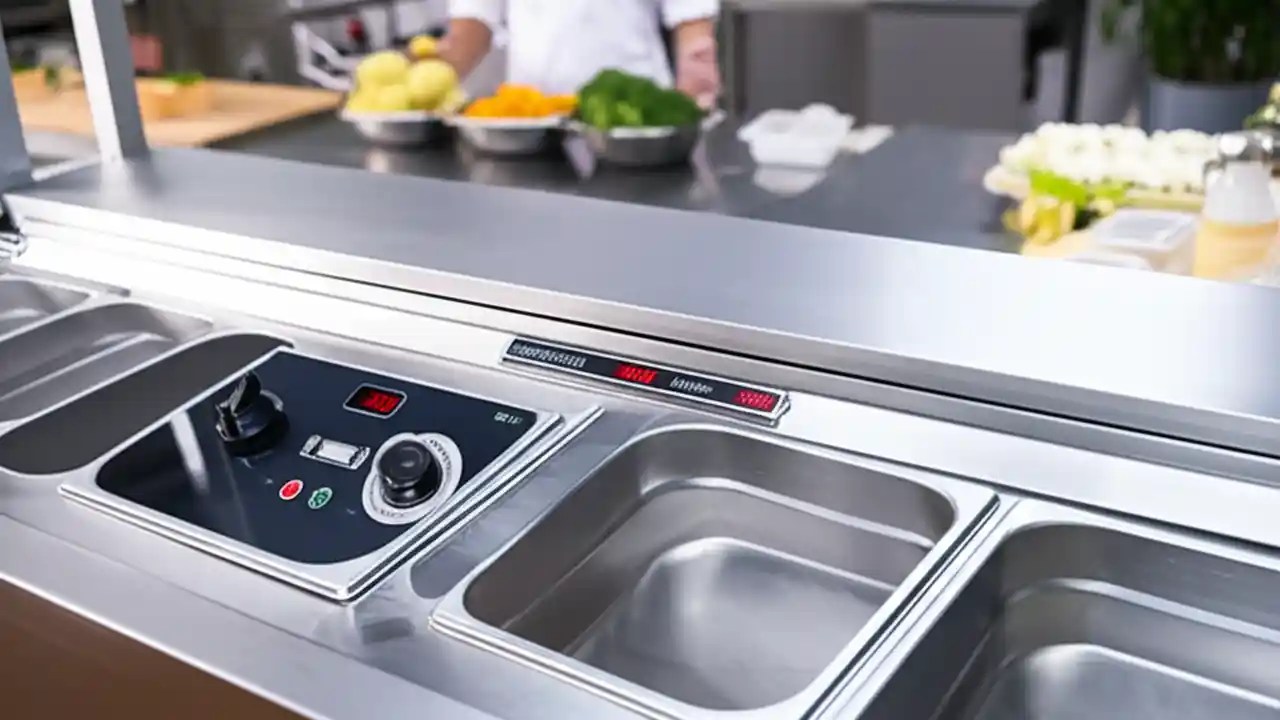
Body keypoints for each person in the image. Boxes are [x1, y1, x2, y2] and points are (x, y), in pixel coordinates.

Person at [439, 0, 721, 108]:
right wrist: (421, 83)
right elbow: (473, 22)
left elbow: (690, 14)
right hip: (534, 121)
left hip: (630, 120)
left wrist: (698, 67)